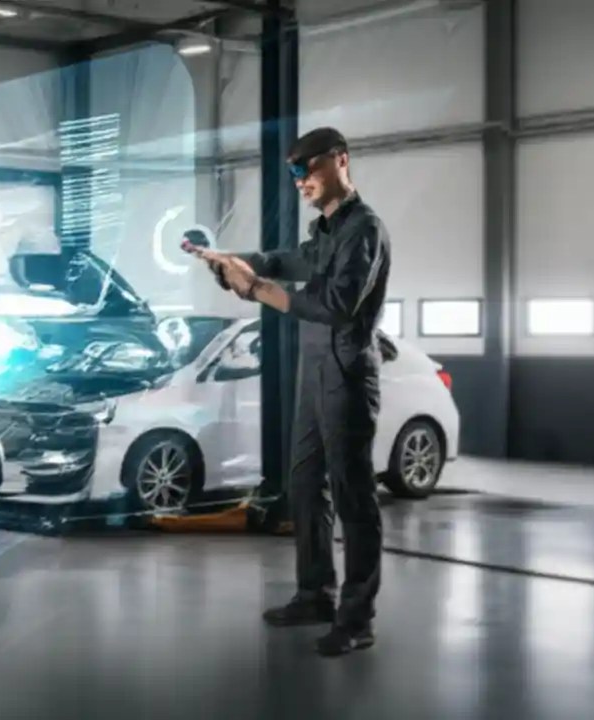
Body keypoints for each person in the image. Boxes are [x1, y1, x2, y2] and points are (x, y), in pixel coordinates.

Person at [192, 127, 391, 657]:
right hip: (315, 370)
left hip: (348, 373)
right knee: (305, 485)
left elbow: (335, 305)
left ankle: (357, 617)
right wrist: (233, 260)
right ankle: (314, 594)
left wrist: (255, 289)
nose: (301, 179)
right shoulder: (325, 232)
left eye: (309, 168)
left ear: (341, 161)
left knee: (353, 495)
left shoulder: (364, 230)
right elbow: (290, 261)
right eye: (294, 172)